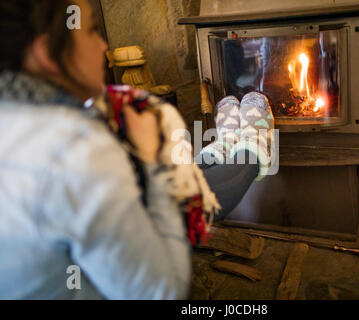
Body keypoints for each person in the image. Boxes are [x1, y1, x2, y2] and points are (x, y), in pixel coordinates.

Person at [0, 0, 275, 299]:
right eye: (91, 31)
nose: (103, 47)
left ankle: (225, 147)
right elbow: (161, 290)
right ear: (48, 53)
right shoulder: (72, 152)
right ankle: (252, 144)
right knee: (182, 193)